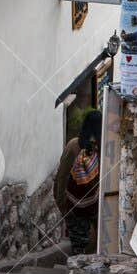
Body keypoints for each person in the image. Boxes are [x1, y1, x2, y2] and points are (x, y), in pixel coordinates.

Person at [55, 109, 102, 254]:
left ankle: (77, 272)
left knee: (78, 248)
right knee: (94, 248)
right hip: (95, 208)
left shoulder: (73, 145)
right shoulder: (102, 148)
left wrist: (62, 205)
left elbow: (61, 177)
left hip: (74, 207)